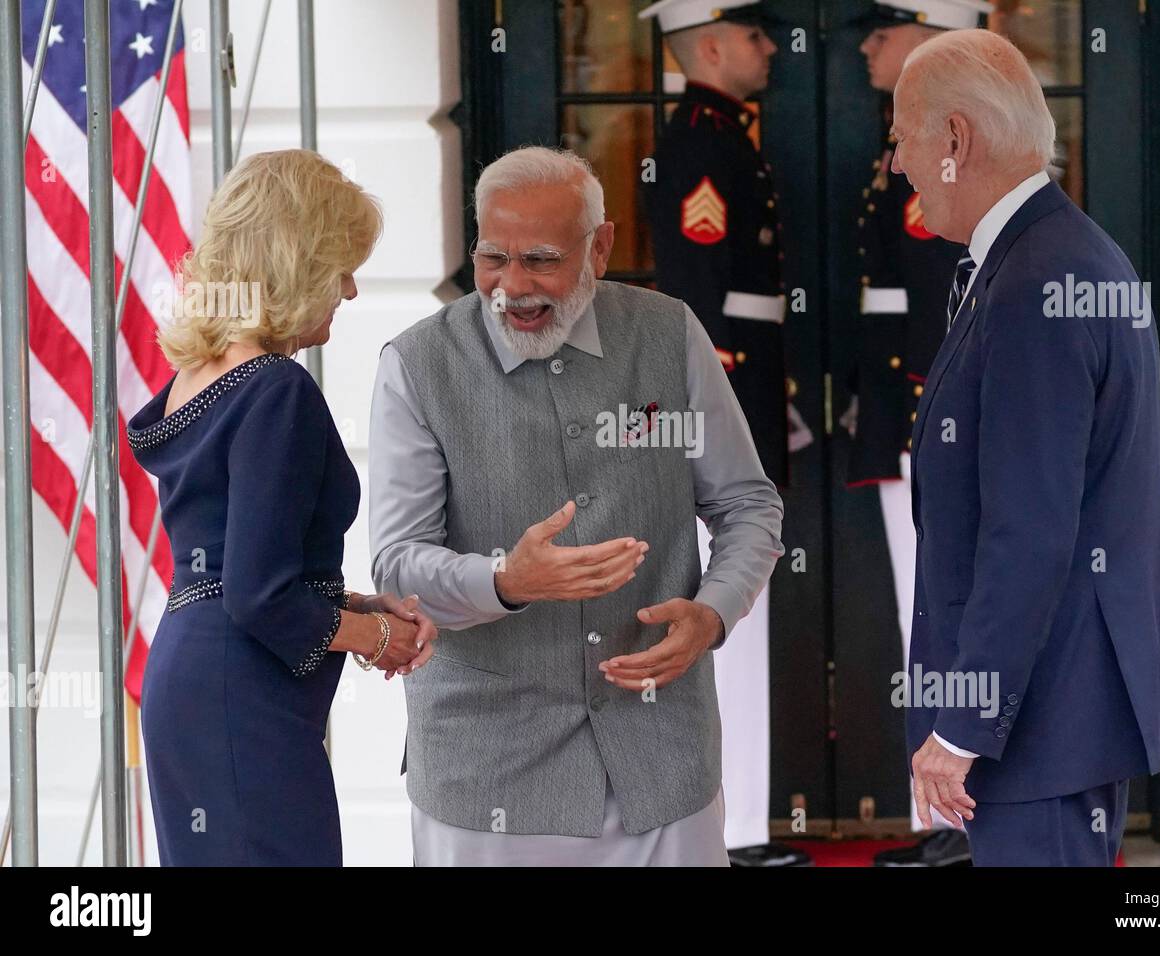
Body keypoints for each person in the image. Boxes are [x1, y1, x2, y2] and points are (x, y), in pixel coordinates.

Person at [368, 145, 784, 866]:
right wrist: (505, 582)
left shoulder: (669, 332)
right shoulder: (415, 364)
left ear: (602, 246)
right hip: (487, 777)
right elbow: (397, 565)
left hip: (662, 766)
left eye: (541, 260)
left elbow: (748, 505)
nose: (512, 286)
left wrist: (712, 612)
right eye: (492, 258)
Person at [894, 30, 1160, 865]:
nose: (897, 164)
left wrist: (963, 724)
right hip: (1056, 714)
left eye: (902, 139)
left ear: (955, 141)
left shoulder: (1039, 280)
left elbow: (1029, 532)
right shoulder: (1053, 256)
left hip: (1042, 726)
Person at [128, 149, 436, 866]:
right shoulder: (275, 388)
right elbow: (258, 596)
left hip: (193, 681)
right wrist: (378, 640)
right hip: (241, 697)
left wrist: (361, 606)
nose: (352, 291)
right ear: (296, 263)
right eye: (342, 268)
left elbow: (240, 567)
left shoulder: (199, 377)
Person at [843, 0, 992, 868]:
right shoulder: (918, 137)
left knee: (940, 617)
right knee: (929, 616)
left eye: (885, 28)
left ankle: (954, 825)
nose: (868, 45)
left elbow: (941, 305)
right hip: (911, 412)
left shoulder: (949, 144)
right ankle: (944, 823)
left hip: (927, 418)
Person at [639, 0, 788, 859]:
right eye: (757, 35)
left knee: (737, 608)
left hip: (753, 395)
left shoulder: (725, 131)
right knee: (728, 605)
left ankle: (746, 824)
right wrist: (721, 420)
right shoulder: (699, 137)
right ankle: (733, 830)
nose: (770, 49)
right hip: (726, 405)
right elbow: (701, 304)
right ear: (714, 45)